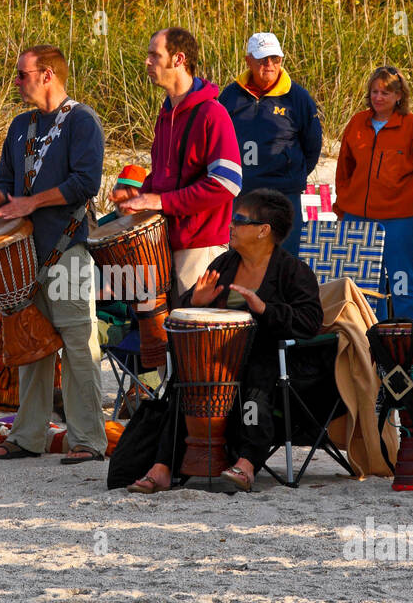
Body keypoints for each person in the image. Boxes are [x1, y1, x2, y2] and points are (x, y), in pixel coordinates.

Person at [126, 189, 329, 493]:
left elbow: (311, 321)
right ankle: (163, 466)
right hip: (218, 360)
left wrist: (265, 310)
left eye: (240, 219)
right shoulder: (224, 264)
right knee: (184, 379)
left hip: (272, 360)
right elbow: (182, 312)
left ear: (264, 231)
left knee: (258, 375)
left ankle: (246, 463)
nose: (231, 225)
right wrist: (194, 299)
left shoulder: (292, 271)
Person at [0, 45, 108, 464]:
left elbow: (85, 183)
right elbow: (7, 181)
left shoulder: (82, 121)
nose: (16, 81)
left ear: (47, 74)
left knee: (78, 344)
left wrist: (31, 204)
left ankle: (87, 439)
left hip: (67, 248)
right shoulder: (20, 125)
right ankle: (28, 436)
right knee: (33, 345)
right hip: (23, 254)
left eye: (21, 74)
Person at [111, 27, 242, 293]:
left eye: (155, 55)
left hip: (200, 247)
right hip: (165, 243)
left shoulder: (212, 114)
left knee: (192, 332)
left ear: (178, 59)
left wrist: (159, 201)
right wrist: (139, 197)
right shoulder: (166, 114)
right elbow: (164, 178)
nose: (147, 62)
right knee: (161, 330)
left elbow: (228, 182)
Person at [335, 66, 413, 320]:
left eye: (386, 93)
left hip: (402, 221)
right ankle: (370, 349)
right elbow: (343, 169)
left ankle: (409, 349)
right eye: (375, 92)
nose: (379, 97)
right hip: (359, 218)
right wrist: (341, 209)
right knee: (365, 290)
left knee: (404, 286)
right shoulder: (358, 122)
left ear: (399, 96)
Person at [217, 32, 323, 256]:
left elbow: (312, 146)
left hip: (284, 196)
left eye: (275, 58)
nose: (269, 64)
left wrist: (290, 173)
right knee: (241, 260)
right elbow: (218, 142)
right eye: (263, 59)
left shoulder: (298, 98)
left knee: (283, 262)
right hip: (242, 194)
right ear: (248, 61)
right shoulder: (230, 96)